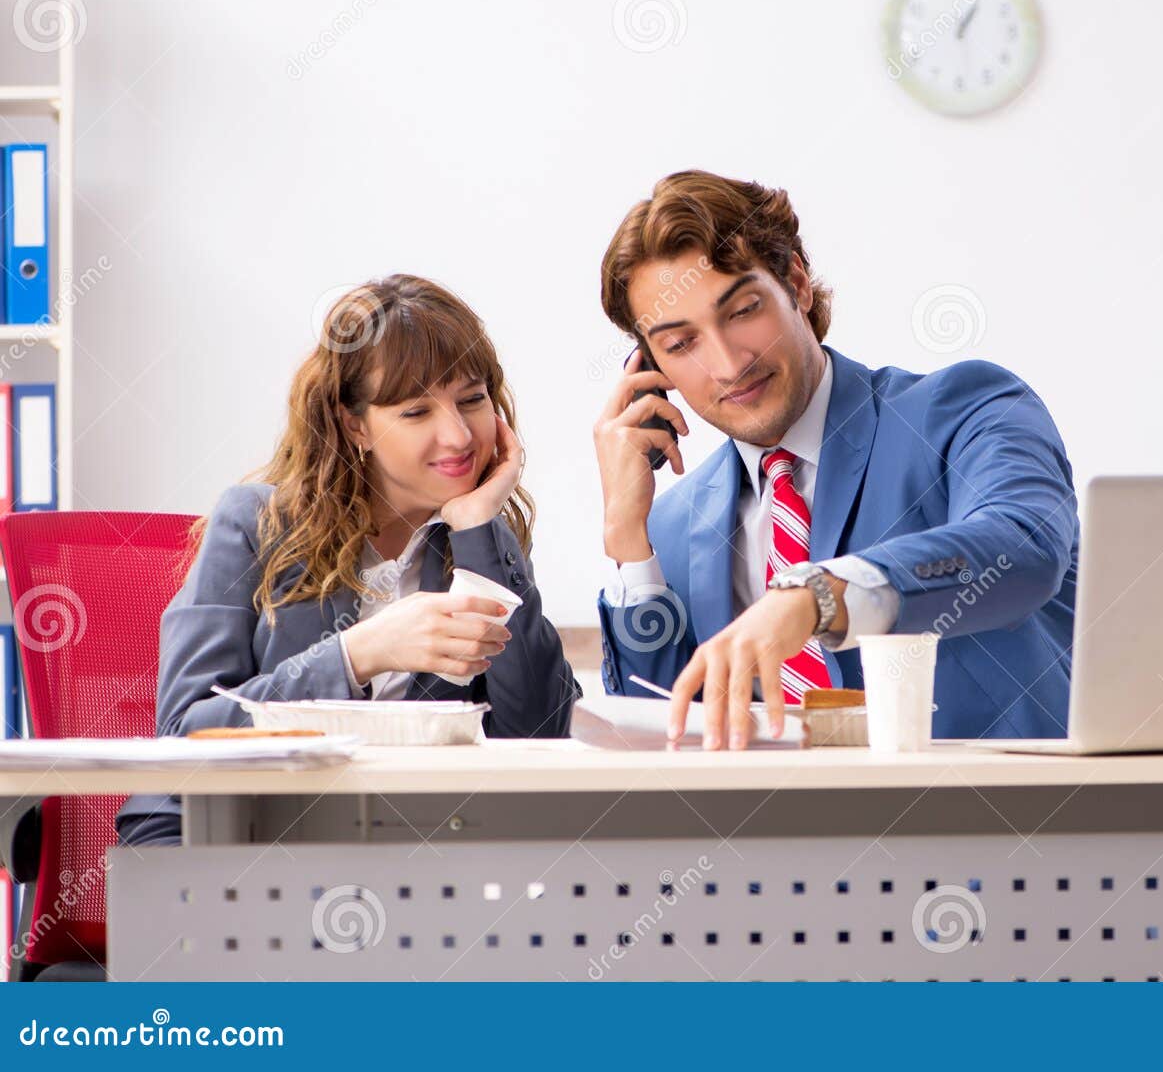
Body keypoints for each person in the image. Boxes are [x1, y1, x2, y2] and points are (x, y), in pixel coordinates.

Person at [592, 170, 1078, 750]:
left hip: (1006, 829)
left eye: (743, 310)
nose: (727, 364)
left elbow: (1025, 545)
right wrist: (627, 541)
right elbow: (663, 753)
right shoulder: (668, 529)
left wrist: (818, 597)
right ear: (651, 372)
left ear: (796, 283)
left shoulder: (963, 411)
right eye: (680, 344)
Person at [117, 275, 577, 846]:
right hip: (224, 834)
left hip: (388, 844)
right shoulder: (255, 523)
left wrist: (479, 527)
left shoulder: (479, 538)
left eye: (472, 400)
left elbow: (538, 736)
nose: (458, 436)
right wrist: (359, 653)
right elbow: (186, 735)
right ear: (354, 423)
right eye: (415, 413)